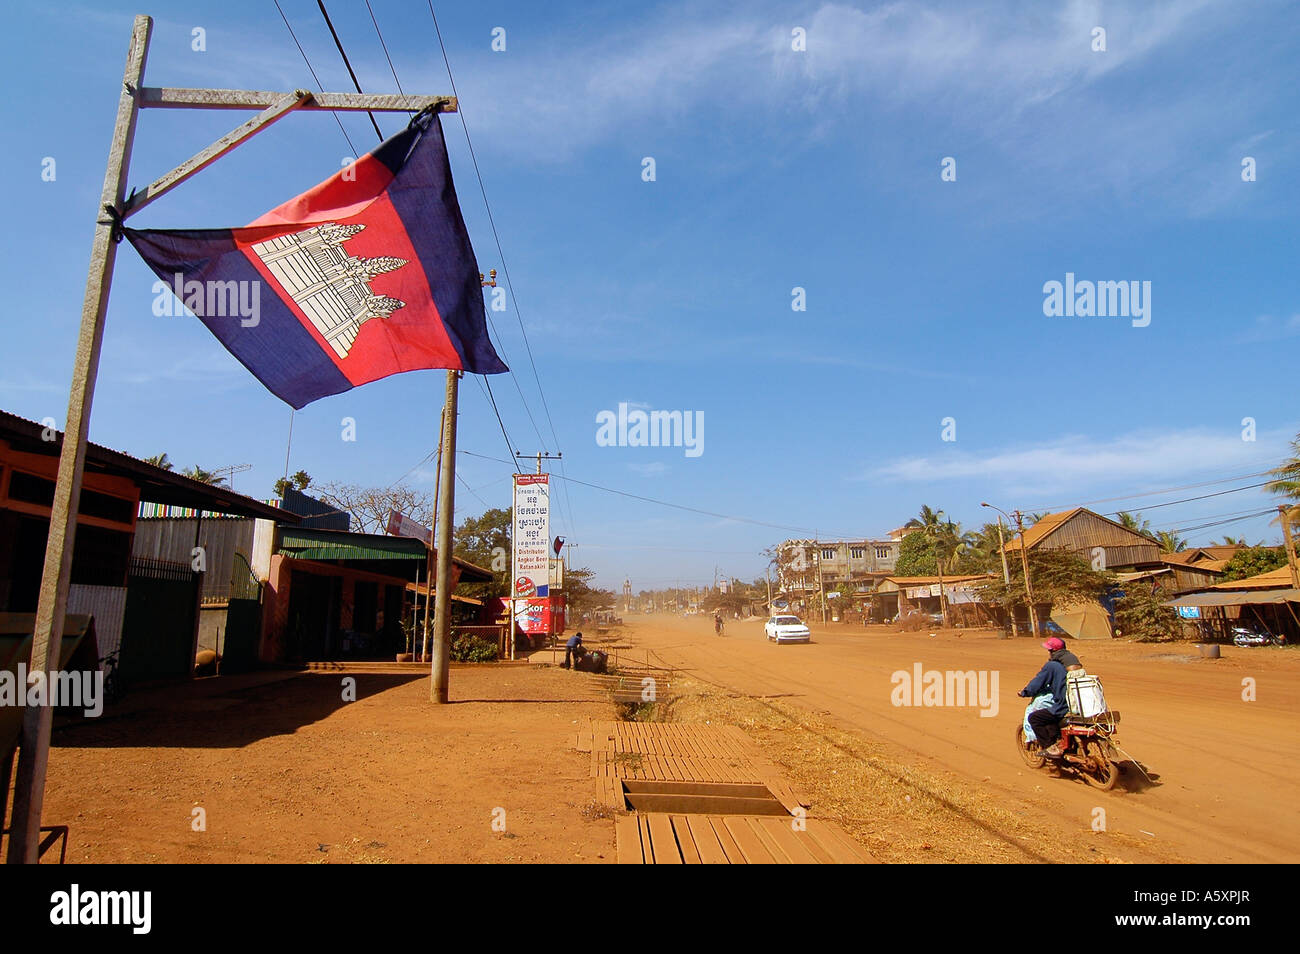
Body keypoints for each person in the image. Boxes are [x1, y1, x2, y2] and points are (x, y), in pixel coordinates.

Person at [1017, 638, 1072, 757]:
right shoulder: (1069, 663)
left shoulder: (1052, 666)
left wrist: (1025, 692)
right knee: (1050, 719)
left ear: (1053, 651)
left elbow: (1038, 682)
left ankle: (1049, 748)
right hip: (1077, 704)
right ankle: (1059, 741)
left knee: (1035, 718)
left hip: (1064, 705)